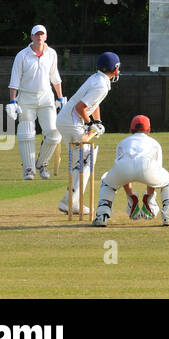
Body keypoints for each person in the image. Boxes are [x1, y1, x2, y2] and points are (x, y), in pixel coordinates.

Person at [54, 51, 120, 216]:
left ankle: (71, 201)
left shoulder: (97, 79)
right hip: (72, 122)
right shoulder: (101, 84)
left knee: (82, 159)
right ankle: (69, 202)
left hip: (66, 120)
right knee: (87, 159)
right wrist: (90, 124)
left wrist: (97, 122)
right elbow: (81, 108)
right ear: (115, 68)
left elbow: (94, 103)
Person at [91, 115, 169, 227]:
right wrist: (149, 196)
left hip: (123, 169)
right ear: (149, 130)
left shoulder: (123, 143)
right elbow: (155, 171)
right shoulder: (154, 143)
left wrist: (130, 196)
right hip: (148, 168)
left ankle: (101, 216)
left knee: (107, 181)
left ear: (130, 130)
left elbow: (123, 172)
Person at [6, 25, 65, 180]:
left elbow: (55, 77)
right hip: (26, 97)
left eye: (42, 34)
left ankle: (41, 163)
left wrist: (60, 97)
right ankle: (28, 169)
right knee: (26, 133)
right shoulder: (22, 55)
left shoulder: (51, 54)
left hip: (46, 97)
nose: (39, 37)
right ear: (31, 37)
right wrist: (13, 101)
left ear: (45, 37)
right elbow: (15, 79)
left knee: (54, 133)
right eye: (36, 35)